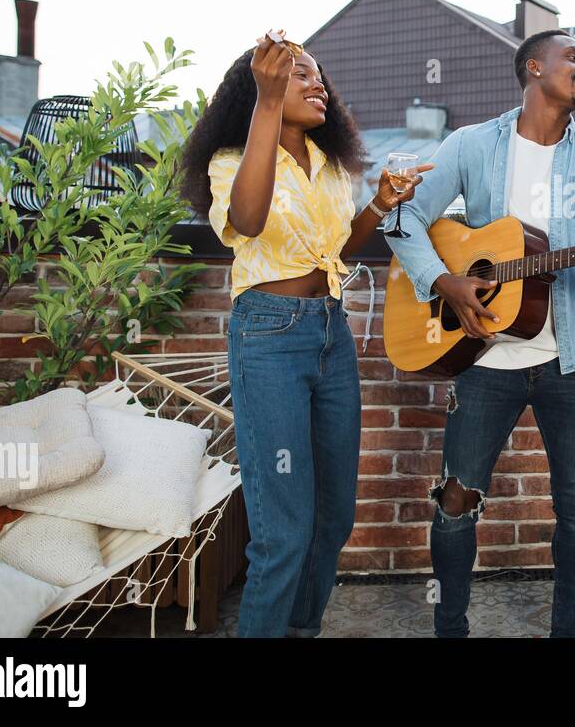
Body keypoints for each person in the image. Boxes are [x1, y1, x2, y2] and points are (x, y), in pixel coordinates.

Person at [388, 29, 575, 638]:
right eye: (574, 57)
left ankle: (566, 633)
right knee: (454, 505)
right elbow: (402, 216)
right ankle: (450, 627)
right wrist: (441, 280)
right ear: (533, 68)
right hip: (484, 362)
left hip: (574, 362)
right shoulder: (472, 145)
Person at [180, 32, 431, 637]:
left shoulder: (328, 166)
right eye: (299, 75)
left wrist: (378, 205)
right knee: (283, 531)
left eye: (321, 76)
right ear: (261, 87)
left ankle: (299, 631)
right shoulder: (229, 161)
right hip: (269, 338)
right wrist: (268, 105)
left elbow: (337, 251)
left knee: (333, 519)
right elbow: (247, 220)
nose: (318, 84)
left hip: (330, 334)